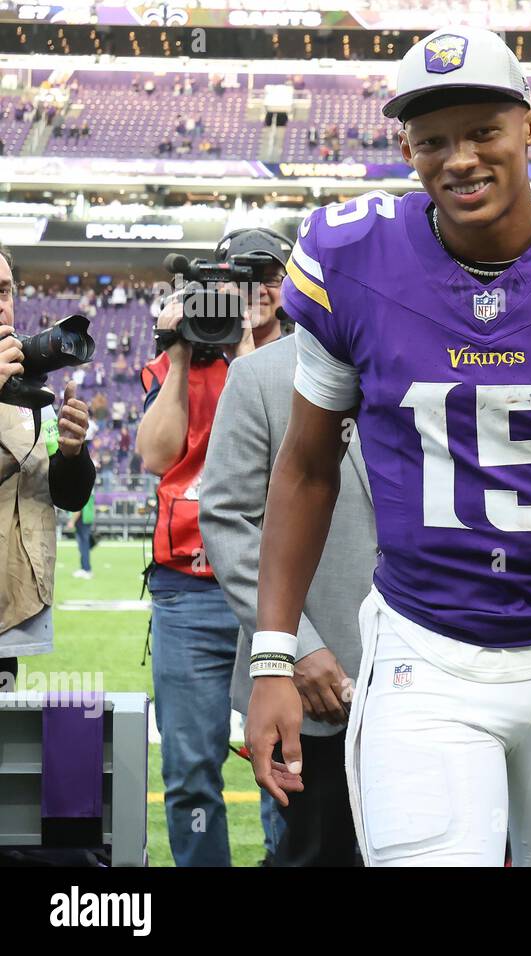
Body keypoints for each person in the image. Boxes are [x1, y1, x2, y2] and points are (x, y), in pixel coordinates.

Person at [247, 26, 531, 867]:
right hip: (426, 651)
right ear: (407, 150)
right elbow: (306, 471)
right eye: (433, 141)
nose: (459, 158)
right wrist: (273, 657)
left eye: (483, 130)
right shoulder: (353, 260)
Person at [135, 227, 293, 867]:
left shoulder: (310, 362)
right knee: (191, 764)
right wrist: (178, 355)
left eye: (267, 276)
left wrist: (252, 348)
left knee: (287, 757)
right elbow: (154, 455)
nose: (254, 290)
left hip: (276, 587)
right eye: (238, 278)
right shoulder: (180, 364)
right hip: (190, 586)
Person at [200, 329, 375, 867]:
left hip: (439, 678)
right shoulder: (261, 375)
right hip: (319, 693)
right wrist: (294, 646)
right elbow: (228, 518)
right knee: (314, 855)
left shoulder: (450, 357)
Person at [0, 243, 96, 690]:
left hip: (13, 602)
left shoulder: (26, 384)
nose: (0, 305)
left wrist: (73, 454)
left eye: (3, 291)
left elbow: (66, 494)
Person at [69, 488, 94, 579]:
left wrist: (72, 521)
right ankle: (84, 568)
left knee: (83, 546)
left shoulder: (80, 490)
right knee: (84, 545)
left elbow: (78, 507)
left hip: (82, 520)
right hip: (87, 519)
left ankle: (86, 569)